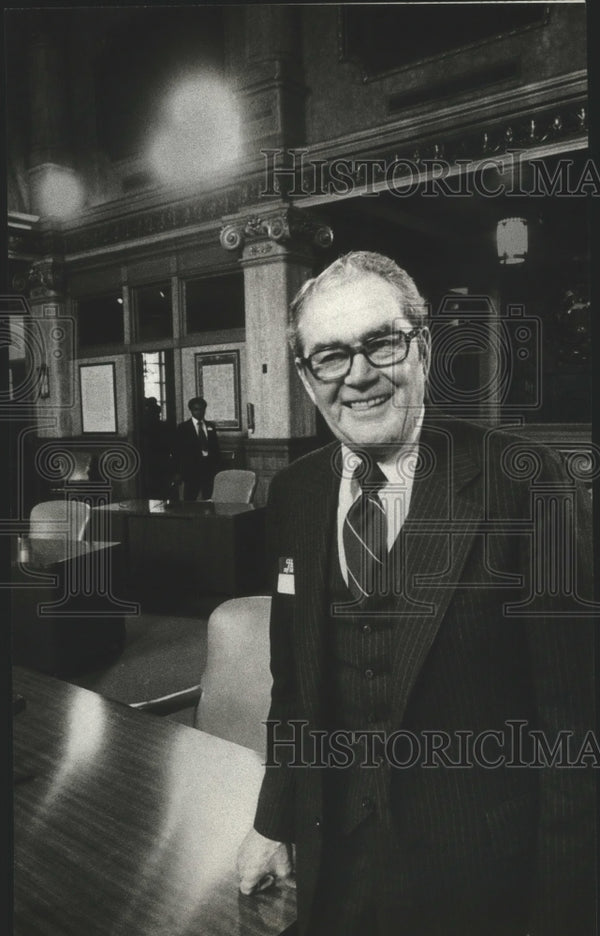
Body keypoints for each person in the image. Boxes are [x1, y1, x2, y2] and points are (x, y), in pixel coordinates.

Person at [237, 252, 596, 935]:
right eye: (330, 357)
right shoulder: (294, 494)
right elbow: (295, 689)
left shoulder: (528, 485)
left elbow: (575, 736)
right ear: (307, 378)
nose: (359, 375)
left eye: (381, 342)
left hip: (481, 883)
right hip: (333, 865)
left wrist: (565, 915)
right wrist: (271, 823)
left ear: (423, 348)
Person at [174, 397, 221, 500]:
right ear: (191, 410)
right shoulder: (183, 427)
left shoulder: (210, 426)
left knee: (208, 498)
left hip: (208, 469)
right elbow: (177, 451)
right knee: (190, 498)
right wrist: (178, 472)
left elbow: (215, 449)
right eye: (196, 409)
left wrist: (217, 468)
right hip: (191, 470)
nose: (199, 412)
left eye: (202, 409)